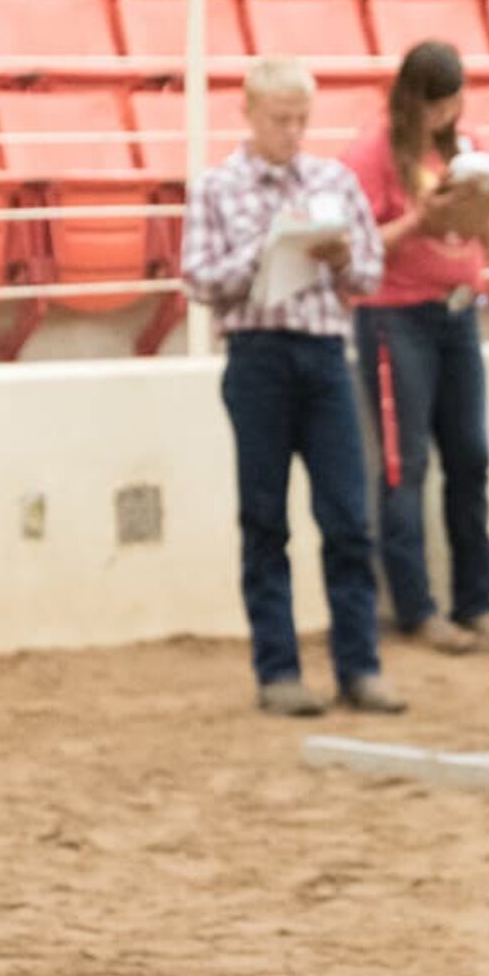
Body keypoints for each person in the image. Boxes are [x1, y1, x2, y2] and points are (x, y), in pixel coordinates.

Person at [182, 56, 405, 717]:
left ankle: (359, 666)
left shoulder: (333, 181)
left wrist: (340, 259)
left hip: (325, 352)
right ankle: (277, 670)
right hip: (257, 354)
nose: (293, 130)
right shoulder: (216, 188)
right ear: (249, 113)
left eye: (301, 118)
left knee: (346, 516)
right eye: (281, 118)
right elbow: (196, 278)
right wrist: (264, 250)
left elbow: (367, 272)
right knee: (264, 518)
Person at [342, 41, 489, 655]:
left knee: (470, 455)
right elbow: (353, 247)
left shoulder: (465, 148)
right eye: (439, 106)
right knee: (404, 463)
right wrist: (419, 219)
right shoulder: (372, 154)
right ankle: (416, 606)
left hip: (458, 308)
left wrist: (477, 208)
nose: (447, 117)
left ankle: (476, 598)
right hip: (395, 316)